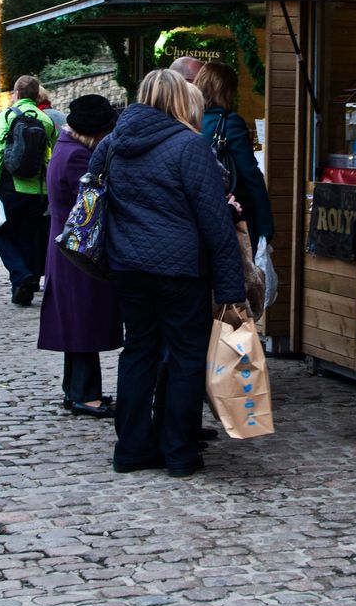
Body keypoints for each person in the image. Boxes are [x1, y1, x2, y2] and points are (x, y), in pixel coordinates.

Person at [90, 69, 245, 478]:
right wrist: (232, 289)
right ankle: (178, 451)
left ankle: (131, 449)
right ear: (180, 99)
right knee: (185, 357)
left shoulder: (112, 143)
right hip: (179, 270)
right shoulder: (188, 145)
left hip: (127, 265)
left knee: (138, 351)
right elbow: (215, 223)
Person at [38, 94, 120, 418]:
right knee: (83, 321)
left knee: (76, 321)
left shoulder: (67, 148)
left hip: (67, 250)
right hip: (77, 253)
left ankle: (76, 390)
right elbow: (90, 204)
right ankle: (86, 395)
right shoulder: (77, 156)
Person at [0, 75, 56, 306]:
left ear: (16, 93)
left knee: (2, 233)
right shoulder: (45, 119)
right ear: (37, 96)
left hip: (11, 186)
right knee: (27, 235)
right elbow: (52, 155)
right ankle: (23, 286)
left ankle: (21, 275)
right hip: (38, 190)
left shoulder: (8, 115)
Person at [194, 61, 275, 253]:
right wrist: (266, 225)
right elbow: (250, 174)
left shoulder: (190, 120)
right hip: (234, 212)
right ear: (227, 90)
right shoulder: (230, 123)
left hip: (199, 212)